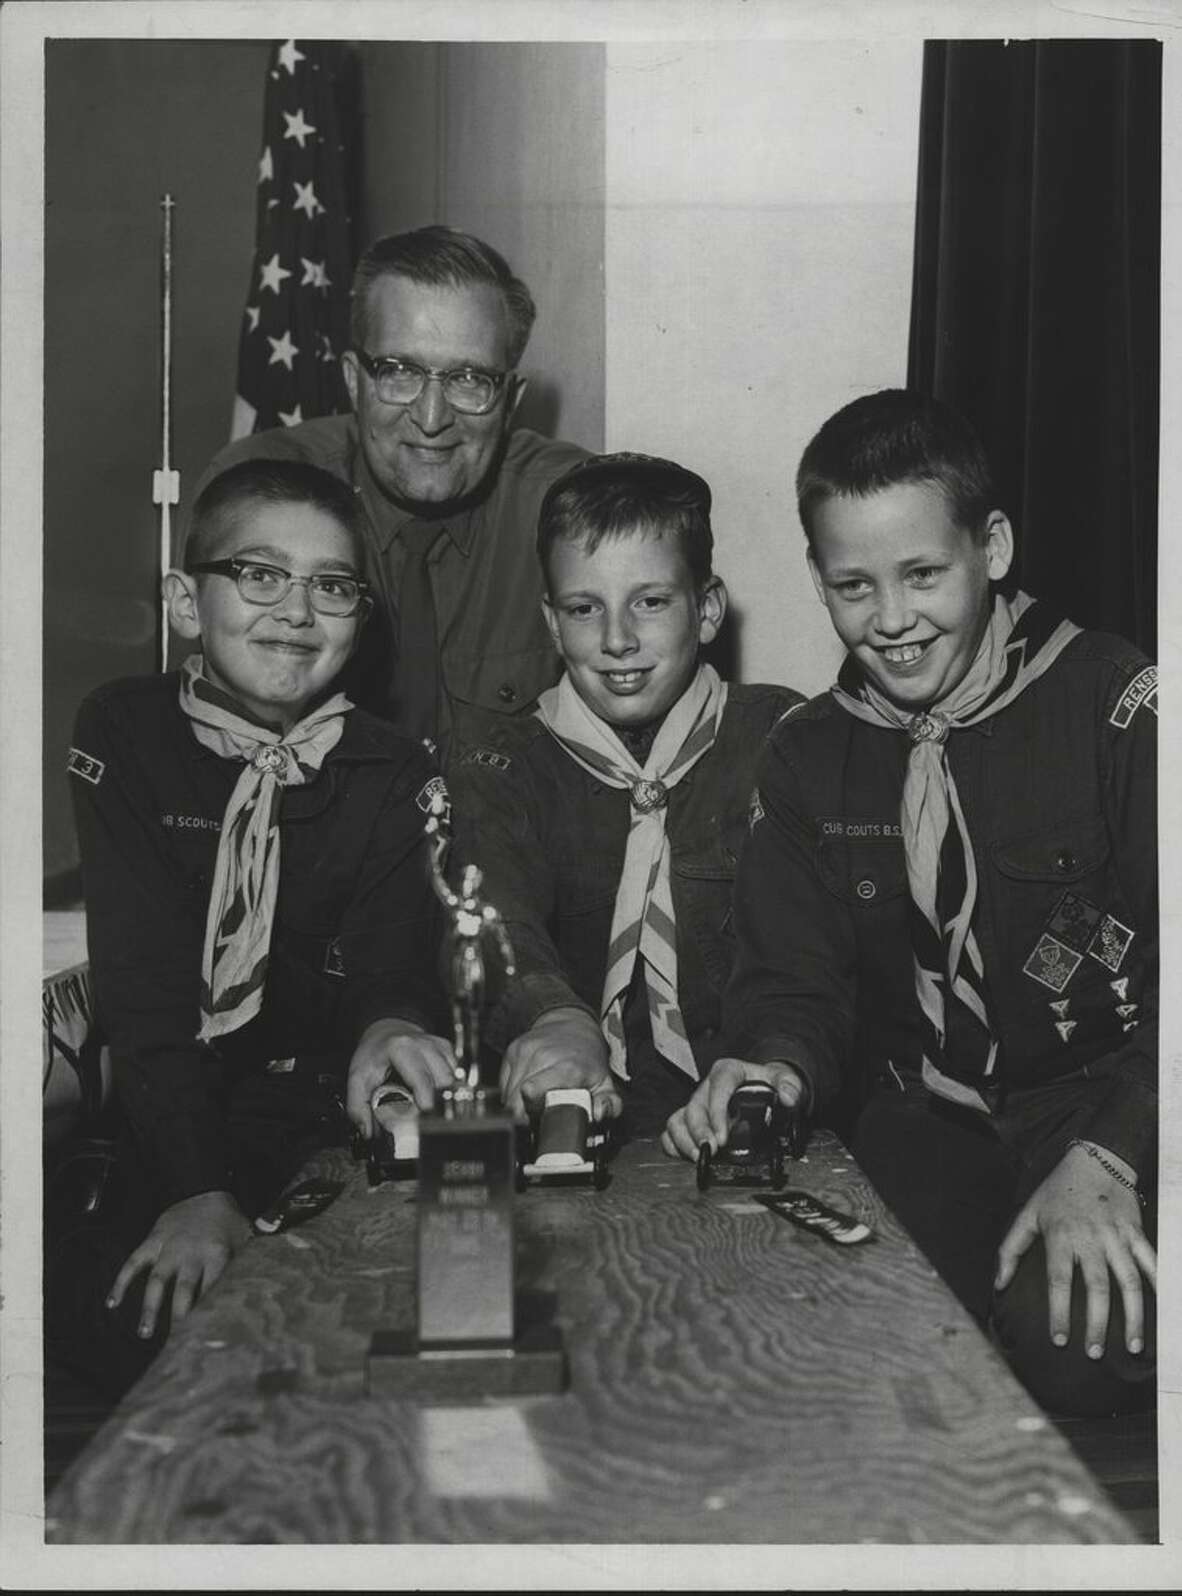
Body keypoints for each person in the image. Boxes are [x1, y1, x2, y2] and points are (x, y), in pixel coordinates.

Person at [663, 391, 1157, 1416]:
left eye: (923, 574)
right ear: (817, 579)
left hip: (1115, 1101)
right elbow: (793, 980)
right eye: (853, 585)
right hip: (932, 1119)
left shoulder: (1116, 706)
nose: (890, 620)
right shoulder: (809, 755)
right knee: (806, 1317)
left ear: (995, 548)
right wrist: (768, 1065)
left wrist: (1114, 1153)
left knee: (1068, 1339)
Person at [55, 458, 459, 1394]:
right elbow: (145, 990)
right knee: (127, 1316)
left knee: (377, 1326)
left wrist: (394, 1025)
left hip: (328, 1114)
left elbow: (393, 964)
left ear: (361, 621)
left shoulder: (393, 769)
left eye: (332, 586)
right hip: (176, 1116)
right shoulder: (124, 732)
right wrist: (198, 1189)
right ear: (186, 604)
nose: (297, 612)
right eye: (261, 574)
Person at [431, 453, 802, 1138]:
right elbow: (493, 913)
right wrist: (554, 1019)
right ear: (551, 623)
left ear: (709, 608)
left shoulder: (780, 738)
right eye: (583, 608)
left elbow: (809, 947)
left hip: (740, 1106)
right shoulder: (498, 758)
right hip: (572, 1105)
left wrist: (773, 1062)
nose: (617, 640)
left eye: (651, 602)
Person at [195, 225, 589, 756]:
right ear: (354, 380)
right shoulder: (258, 494)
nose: (431, 419)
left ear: (511, 401)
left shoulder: (571, 511)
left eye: (469, 380)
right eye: (399, 372)